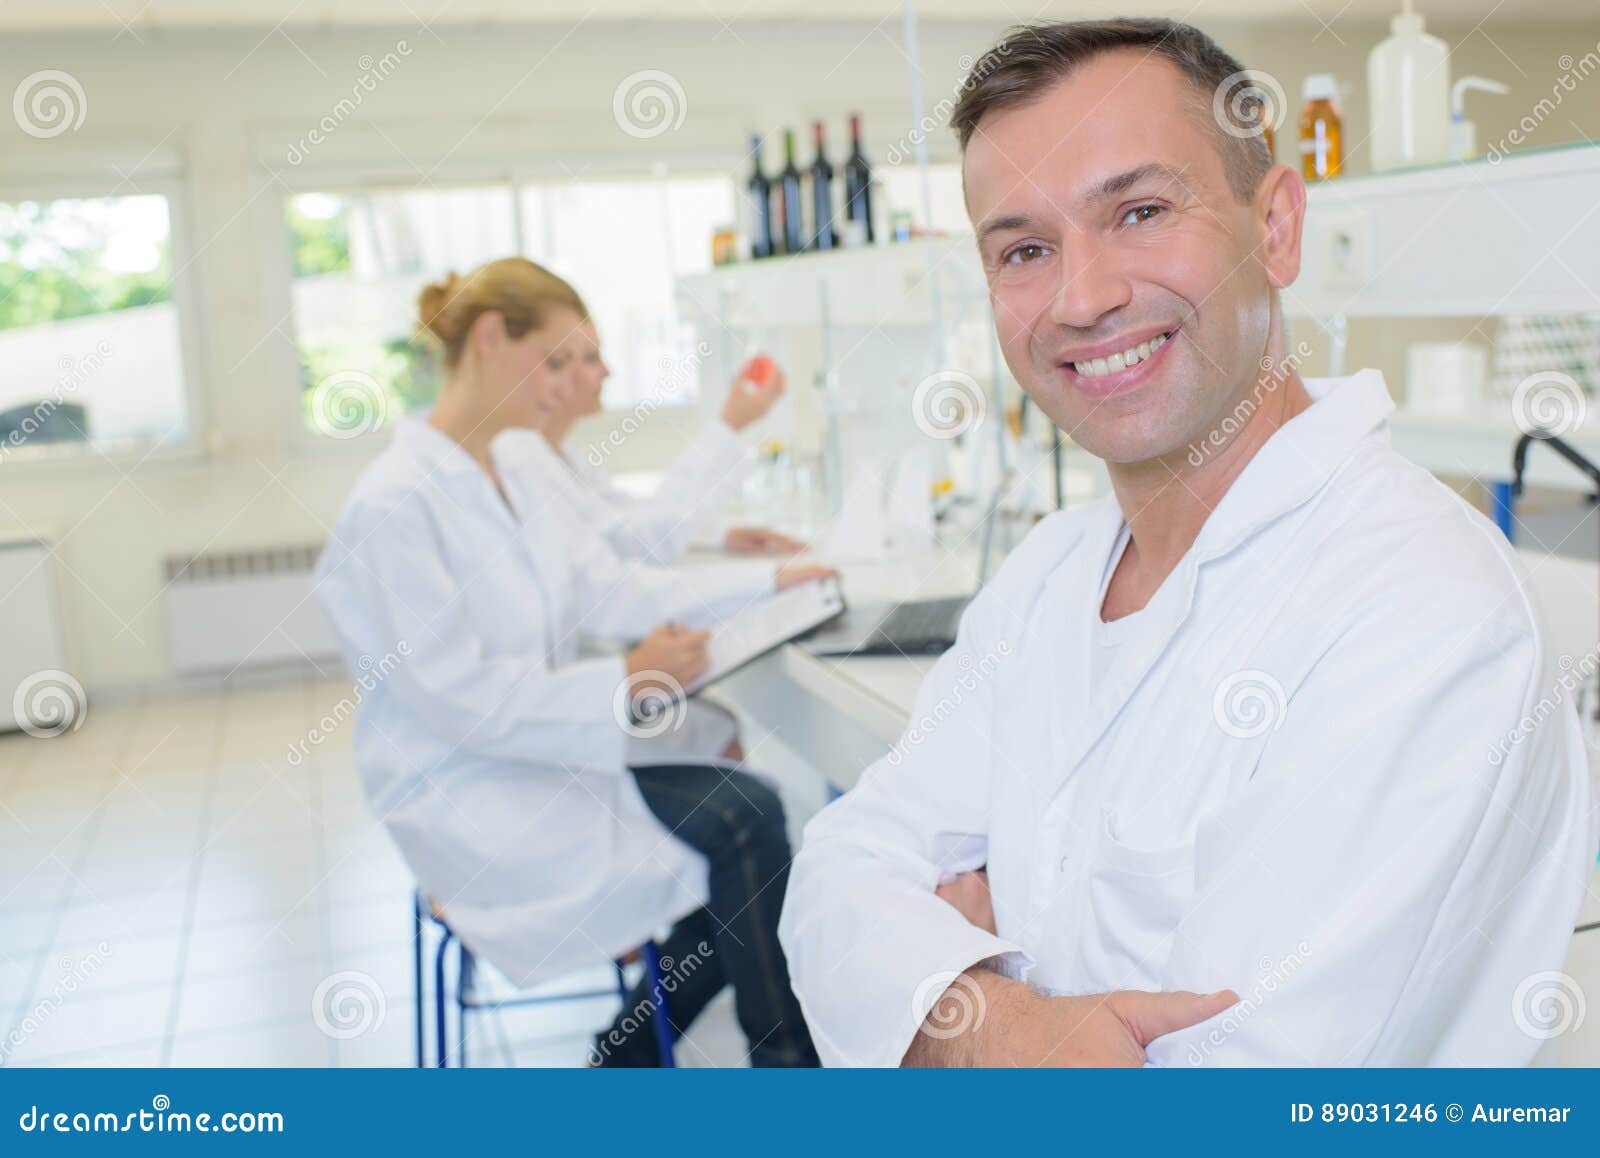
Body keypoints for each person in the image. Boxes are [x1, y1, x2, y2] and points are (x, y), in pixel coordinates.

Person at [778, 18, 1597, 1067]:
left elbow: (1230, 1094)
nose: (1082, 297)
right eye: (1024, 248)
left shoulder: (1420, 610)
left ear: (1276, 228)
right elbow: (837, 873)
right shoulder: (1049, 577)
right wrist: (997, 1024)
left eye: (1140, 211)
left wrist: (944, 975)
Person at [315, 257, 825, 1066]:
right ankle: (769, 1071)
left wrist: (773, 581)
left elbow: (608, 583)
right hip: (470, 790)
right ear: (490, 340)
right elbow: (459, 700)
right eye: (552, 361)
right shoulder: (395, 504)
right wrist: (627, 680)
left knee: (748, 817)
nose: (561, 387)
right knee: (744, 823)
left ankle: (642, 1063)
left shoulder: (512, 467)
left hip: (546, 752)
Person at [532, 314, 807, 563]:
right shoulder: (531, 466)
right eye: (590, 358)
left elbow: (629, 518)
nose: (607, 371)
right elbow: (642, 543)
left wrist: (720, 534)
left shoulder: (566, 456)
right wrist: (730, 423)